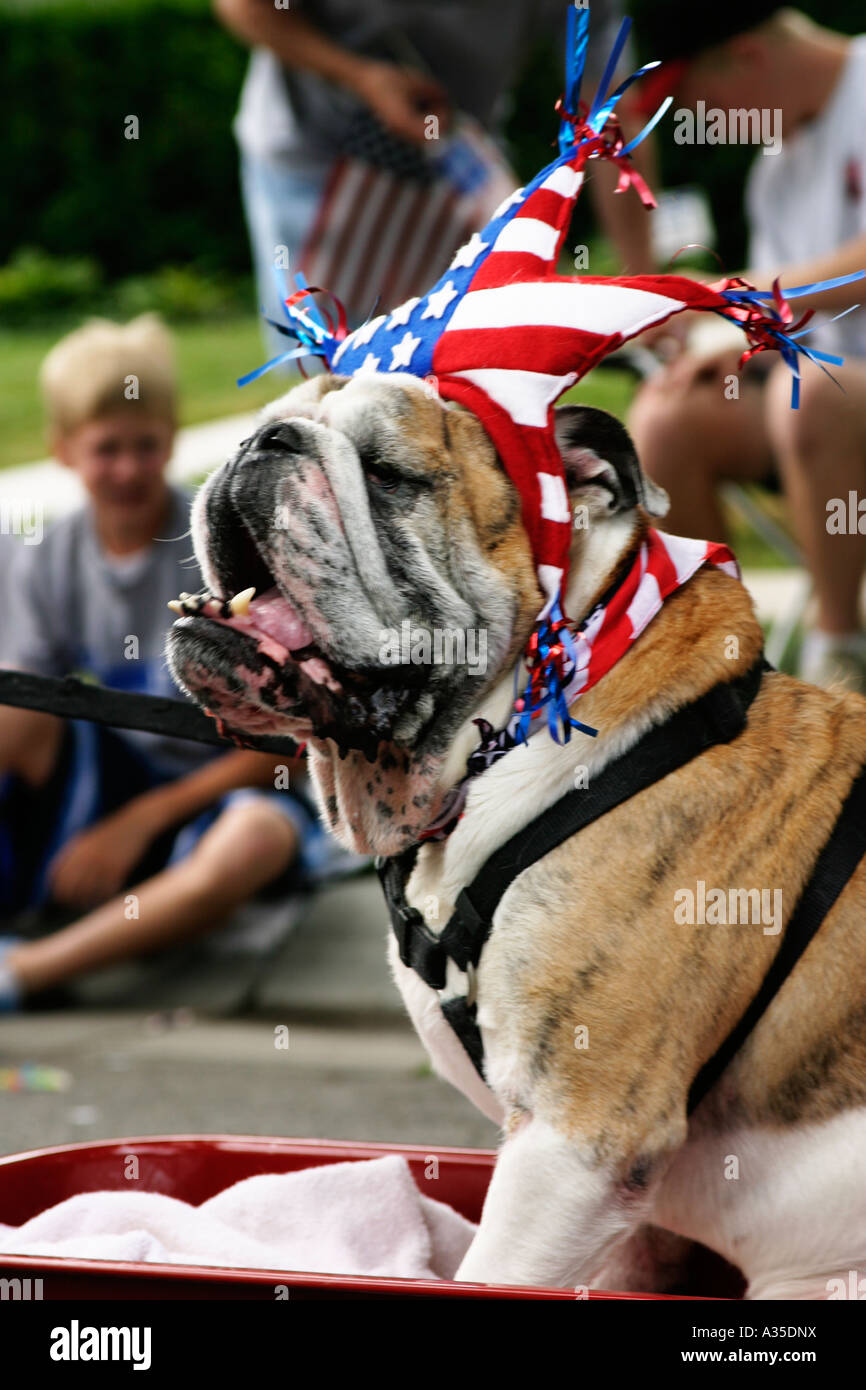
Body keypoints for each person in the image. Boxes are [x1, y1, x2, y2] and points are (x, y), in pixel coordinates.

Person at [0, 315, 340, 1010]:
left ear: (173, 439)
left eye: (145, 446)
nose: (127, 469)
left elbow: (288, 740)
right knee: (14, 714)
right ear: (63, 451)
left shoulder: (225, 553)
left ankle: (27, 972)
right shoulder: (44, 554)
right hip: (126, 779)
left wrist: (142, 820)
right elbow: (24, 713)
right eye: (106, 450)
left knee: (255, 840)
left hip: (226, 794)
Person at [626, 3, 866, 692]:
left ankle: (840, 658)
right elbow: (784, 319)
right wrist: (724, 341)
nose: (702, 115)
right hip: (820, 404)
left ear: (748, 58)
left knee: (821, 395)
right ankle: (730, 676)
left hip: (834, 405)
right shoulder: (776, 166)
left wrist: (739, 296)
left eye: (697, 93)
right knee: (667, 416)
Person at [213, 0, 658, 342]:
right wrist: (361, 76)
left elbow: (612, 112)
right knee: (330, 369)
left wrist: (640, 286)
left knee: (470, 363)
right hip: (314, 161)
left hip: (461, 167)